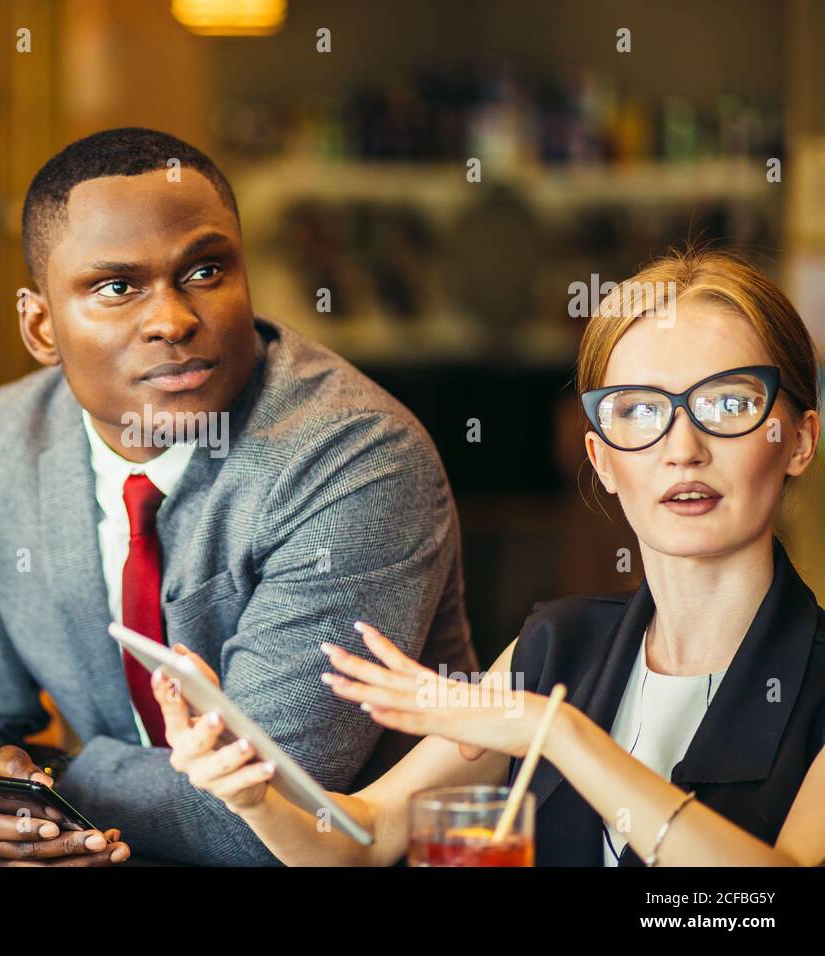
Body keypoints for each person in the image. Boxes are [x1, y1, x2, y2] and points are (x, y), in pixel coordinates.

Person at [0, 127, 477, 866]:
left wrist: (44, 778)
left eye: (205, 271)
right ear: (40, 325)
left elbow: (261, 811)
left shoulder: (354, 458)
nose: (172, 319)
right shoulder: (7, 442)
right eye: (116, 287)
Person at [158, 248, 825, 866]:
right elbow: (362, 838)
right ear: (603, 460)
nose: (683, 447)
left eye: (728, 403)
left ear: (799, 440)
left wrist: (559, 731)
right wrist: (251, 794)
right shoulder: (557, 644)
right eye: (639, 411)